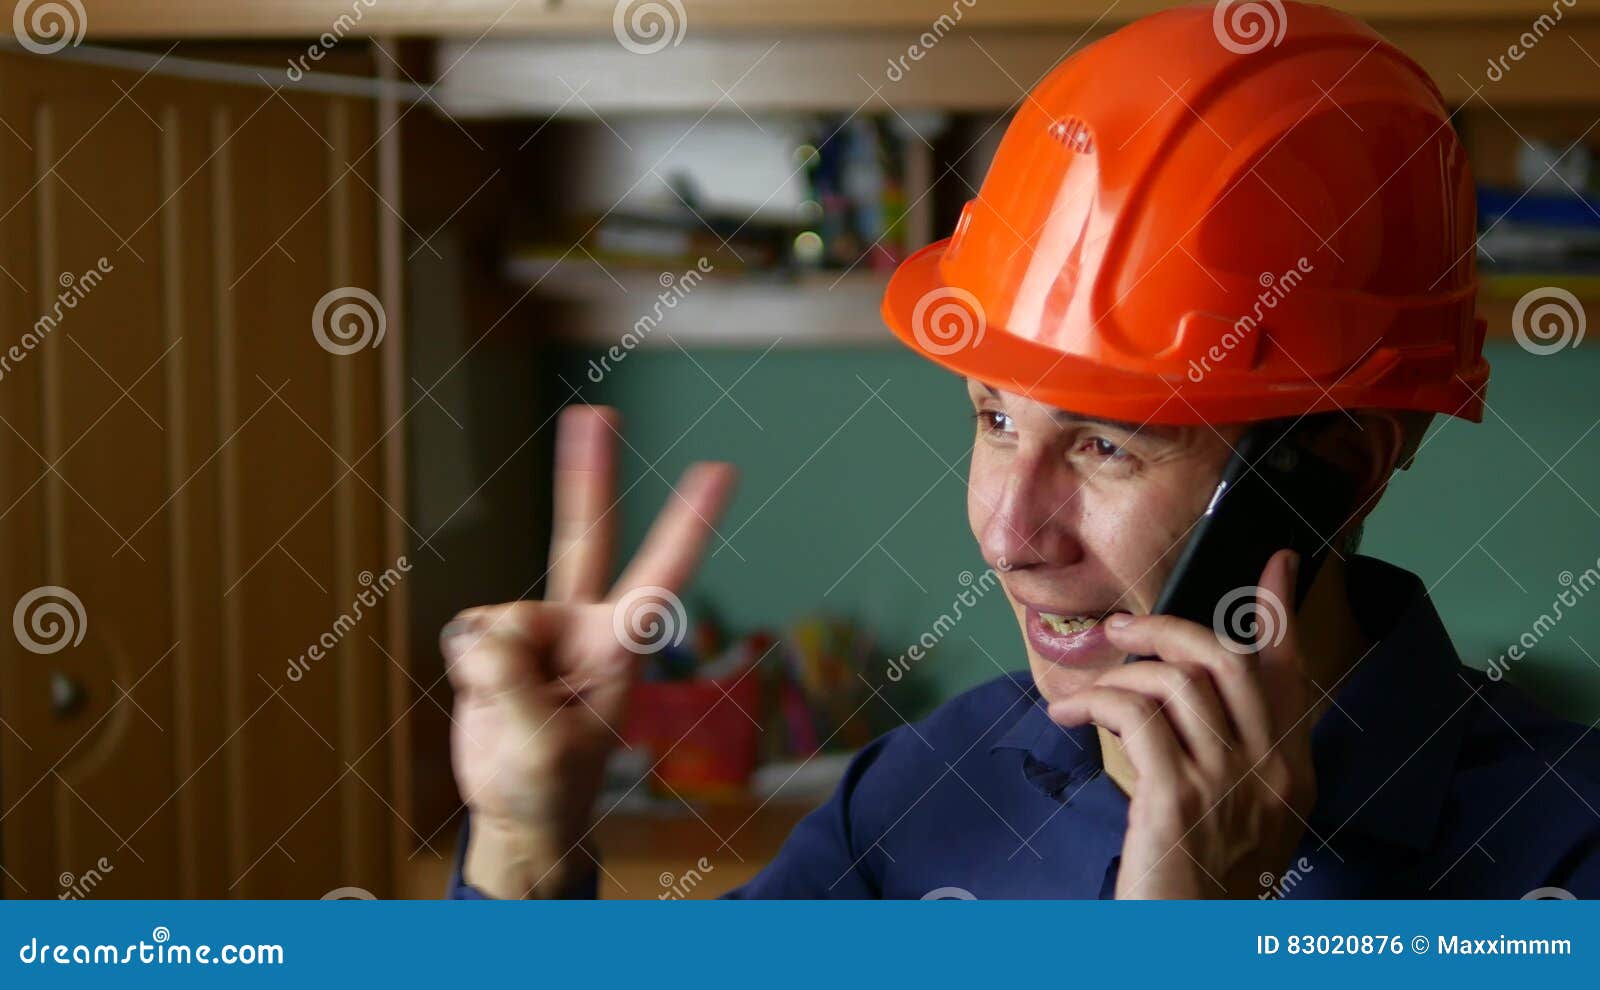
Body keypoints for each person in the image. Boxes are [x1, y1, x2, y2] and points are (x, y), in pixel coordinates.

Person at [441, 3, 1600, 899]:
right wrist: (524, 851)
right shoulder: (919, 793)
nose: (1006, 534)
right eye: (994, 418)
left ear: (1334, 472)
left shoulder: (1567, 848)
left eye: (1102, 444)